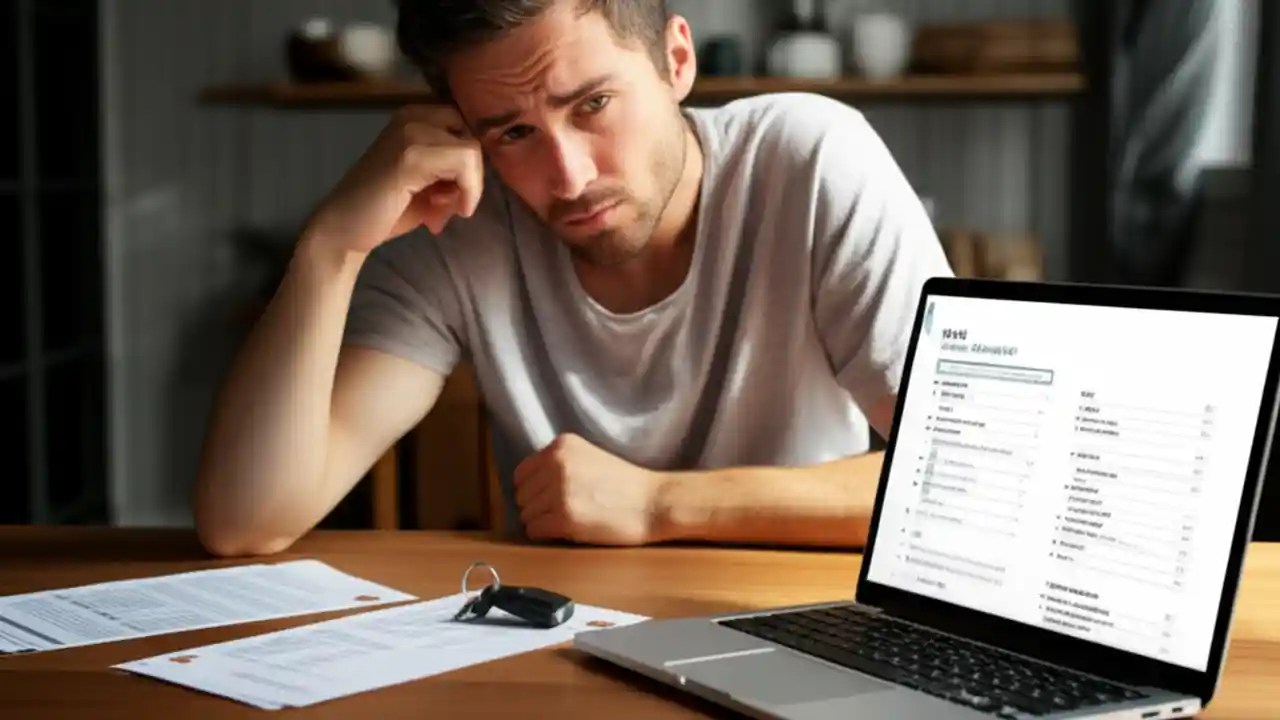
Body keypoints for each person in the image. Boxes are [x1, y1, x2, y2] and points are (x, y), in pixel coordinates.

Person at [193, 0, 952, 557]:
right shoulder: (462, 227)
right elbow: (247, 518)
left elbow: (968, 489)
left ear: (676, 61)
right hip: (568, 647)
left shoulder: (810, 160)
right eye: (514, 132)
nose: (569, 177)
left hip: (793, 623)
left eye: (592, 104)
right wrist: (331, 248)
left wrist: (660, 505)